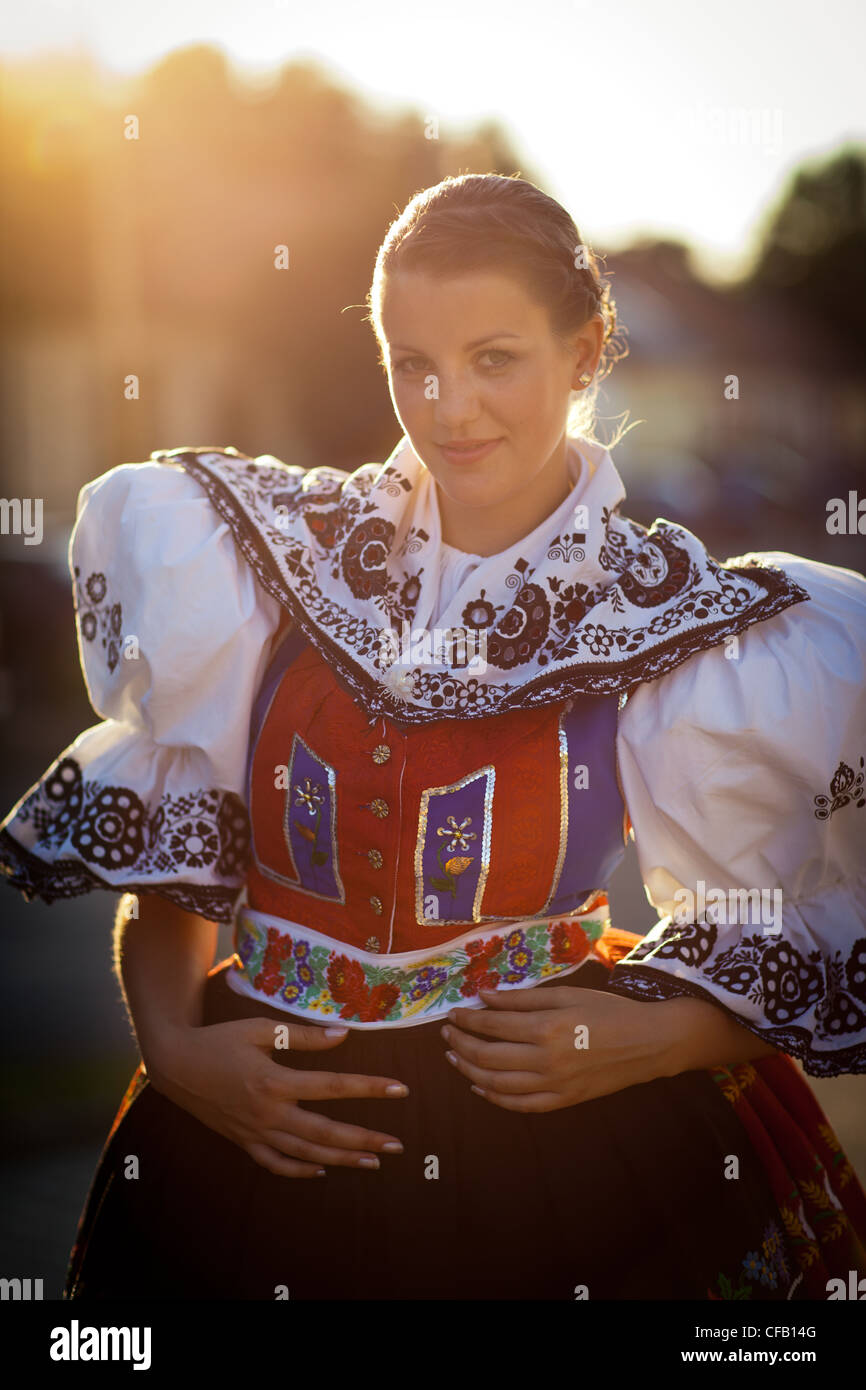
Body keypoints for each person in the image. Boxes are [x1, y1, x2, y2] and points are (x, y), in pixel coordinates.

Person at [2, 172, 865, 1302]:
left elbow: (810, 925)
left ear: (588, 348)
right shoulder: (262, 560)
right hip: (251, 1137)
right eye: (411, 362)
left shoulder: (678, 624)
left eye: (492, 358)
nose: (447, 406)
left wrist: (654, 1042)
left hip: (562, 1157)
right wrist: (173, 1043)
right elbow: (178, 862)